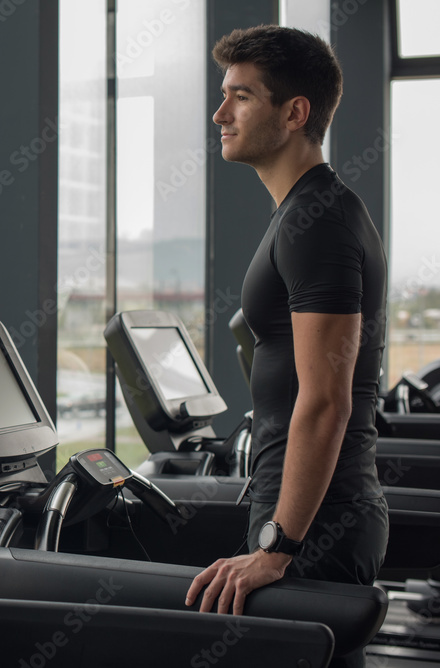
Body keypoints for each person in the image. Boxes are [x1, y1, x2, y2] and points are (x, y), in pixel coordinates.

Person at [184, 25, 389, 668]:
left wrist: (278, 546)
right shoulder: (308, 211)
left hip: (313, 526)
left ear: (295, 112)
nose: (220, 114)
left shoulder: (316, 222)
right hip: (308, 514)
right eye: (224, 95)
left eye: (241, 97)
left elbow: (325, 399)